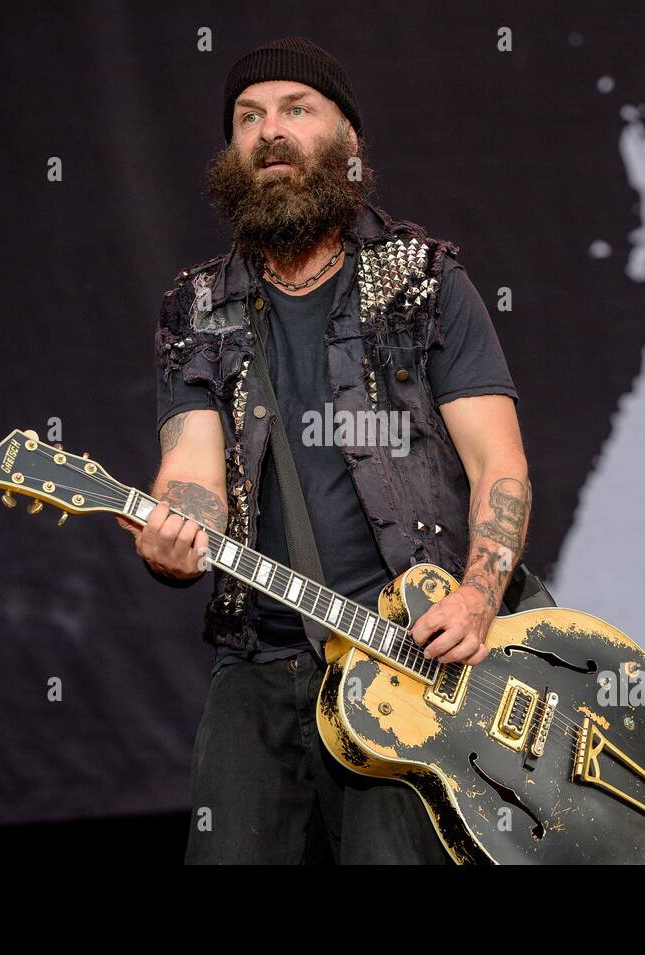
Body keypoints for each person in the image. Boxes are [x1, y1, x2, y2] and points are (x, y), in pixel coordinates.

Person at [117, 36, 531, 864]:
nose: (270, 131)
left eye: (296, 110)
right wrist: (171, 538)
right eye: (249, 117)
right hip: (261, 659)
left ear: (348, 142)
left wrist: (480, 595)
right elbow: (193, 474)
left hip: (411, 665)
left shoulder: (421, 279)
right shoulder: (197, 307)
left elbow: (501, 469)